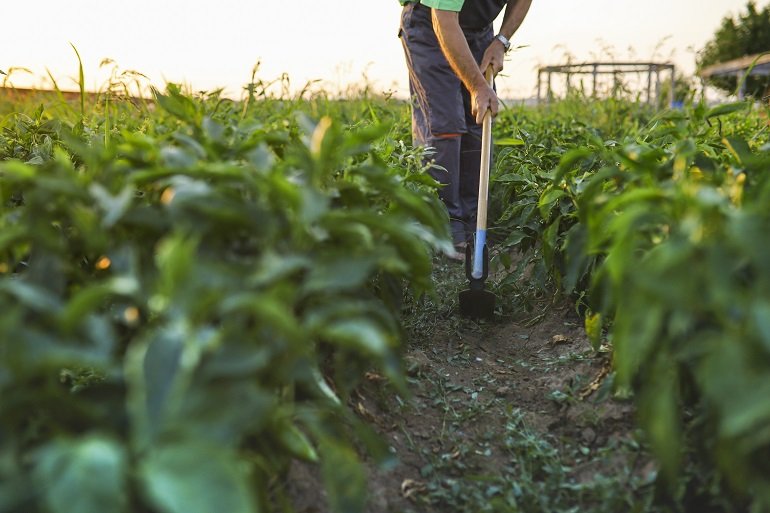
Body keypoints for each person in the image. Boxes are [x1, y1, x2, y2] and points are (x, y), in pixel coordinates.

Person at [398, 0, 532, 259]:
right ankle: (444, 228)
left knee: (479, 122)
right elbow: (444, 20)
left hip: (479, 29)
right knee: (445, 123)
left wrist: (501, 40)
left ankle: (472, 227)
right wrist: (478, 86)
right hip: (431, 23)